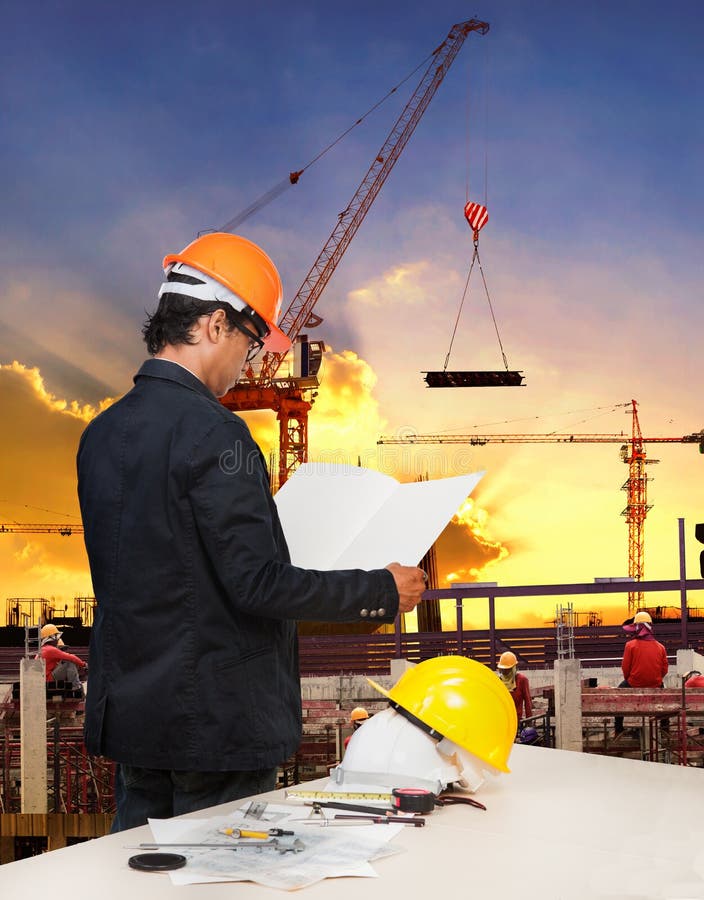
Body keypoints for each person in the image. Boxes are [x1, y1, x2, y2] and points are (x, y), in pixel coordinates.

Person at [76, 232, 427, 832]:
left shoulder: (100, 436)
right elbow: (257, 585)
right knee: (221, 873)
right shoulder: (218, 434)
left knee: (140, 872)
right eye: (251, 339)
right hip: (216, 729)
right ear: (215, 324)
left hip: (135, 723)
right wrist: (380, 589)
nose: (250, 359)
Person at [615, 610, 668, 734]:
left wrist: (630, 680)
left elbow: (625, 668)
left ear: (637, 629)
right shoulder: (661, 647)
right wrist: (655, 680)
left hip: (634, 683)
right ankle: (665, 729)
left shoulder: (630, 645)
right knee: (665, 699)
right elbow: (664, 670)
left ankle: (619, 729)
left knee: (618, 695)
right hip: (655, 684)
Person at [38, 624, 87, 693]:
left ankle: (75, 685)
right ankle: (76, 687)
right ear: (52, 638)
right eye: (57, 637)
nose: (58, 639)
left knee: (67, 662)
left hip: (44, 678)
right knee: (68, 662)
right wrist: (84, 664)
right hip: (48, 679)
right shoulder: (50, 649)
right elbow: (71, 657)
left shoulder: (44, 649)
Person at [496, 651, 532, 722]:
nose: (505, 671)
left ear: (513, 668)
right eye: (503, 669)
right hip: (501, 720)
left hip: (516, 720)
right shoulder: (498, 681)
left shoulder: (522, 680)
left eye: (507, 669)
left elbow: (528, 701)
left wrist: (529, 720)